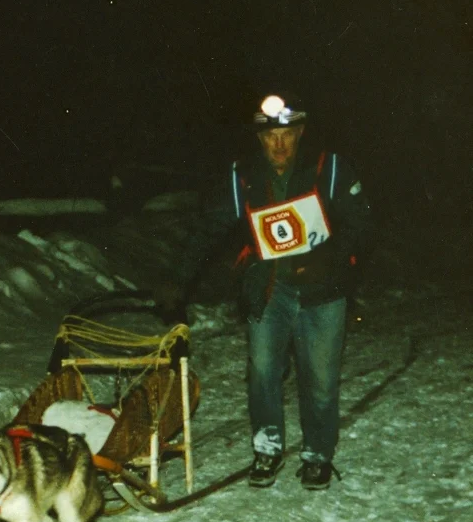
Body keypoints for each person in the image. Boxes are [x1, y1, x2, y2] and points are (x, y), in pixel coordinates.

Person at [156, 92, 373, 490]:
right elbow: (208, 230)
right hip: (270, 290)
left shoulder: (332, 168)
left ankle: (317, 454)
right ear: (259, 139)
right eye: (270, 136)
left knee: (321, 380)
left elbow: (360, 225)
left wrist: (329, 257)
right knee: (262, 373)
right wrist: (178, 280)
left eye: (287, 135)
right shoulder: (243, 176)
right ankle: (268, 447)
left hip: (324, 292)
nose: (279, 144)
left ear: (300, 133)